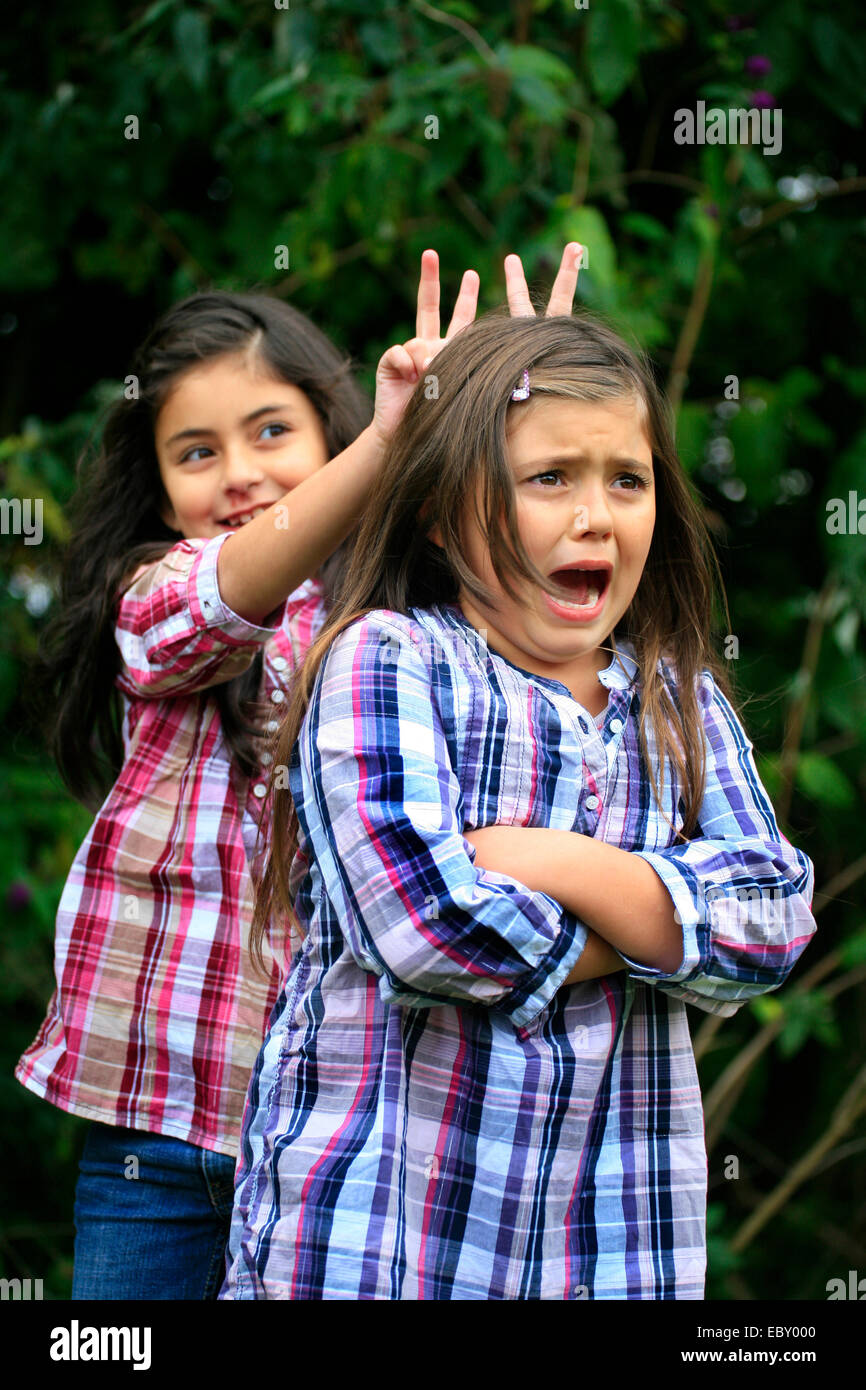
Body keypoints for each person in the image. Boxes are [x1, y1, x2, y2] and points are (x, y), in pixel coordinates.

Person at [16, 247, 584, 1299]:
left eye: (270, 430)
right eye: (195, 451)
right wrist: (382, 443)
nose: (236, 469)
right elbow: (219, 599)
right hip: (157, 1142)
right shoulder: (160, 591)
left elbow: (542, 603)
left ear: (328, 426)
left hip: (345, 1144)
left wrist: (524, 415)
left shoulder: (404, 615)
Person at [221, 307, 817, 1300]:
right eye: (549, 478)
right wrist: (659, 933)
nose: (595, 515)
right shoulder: (388, 661)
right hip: (377, 1248)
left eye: (625, 479)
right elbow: (425, 925)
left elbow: (773, 916)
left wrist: (548, 862)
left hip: (613, 1250)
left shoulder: (678, 697)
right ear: (440, 511)